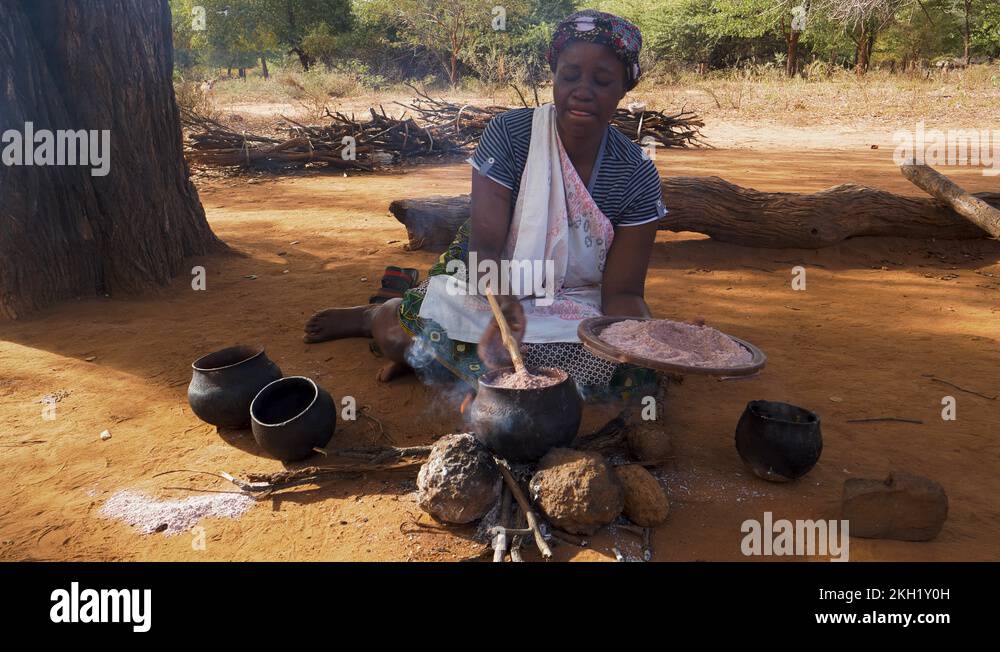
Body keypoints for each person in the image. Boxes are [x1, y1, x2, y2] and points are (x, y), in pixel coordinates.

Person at [303, 10, 666, 402]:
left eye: (602, 80)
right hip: (490, 274)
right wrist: (505, 306)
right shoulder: (511, 135)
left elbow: (624, 293)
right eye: (570, 75)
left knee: (630, 377)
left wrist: (647, 338)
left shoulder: (637, 175)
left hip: (575, 299)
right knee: (400, 337)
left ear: (625, 87)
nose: (582, 90)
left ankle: (445, 365)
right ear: (554, 75)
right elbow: (486, 248)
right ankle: (376, 316)